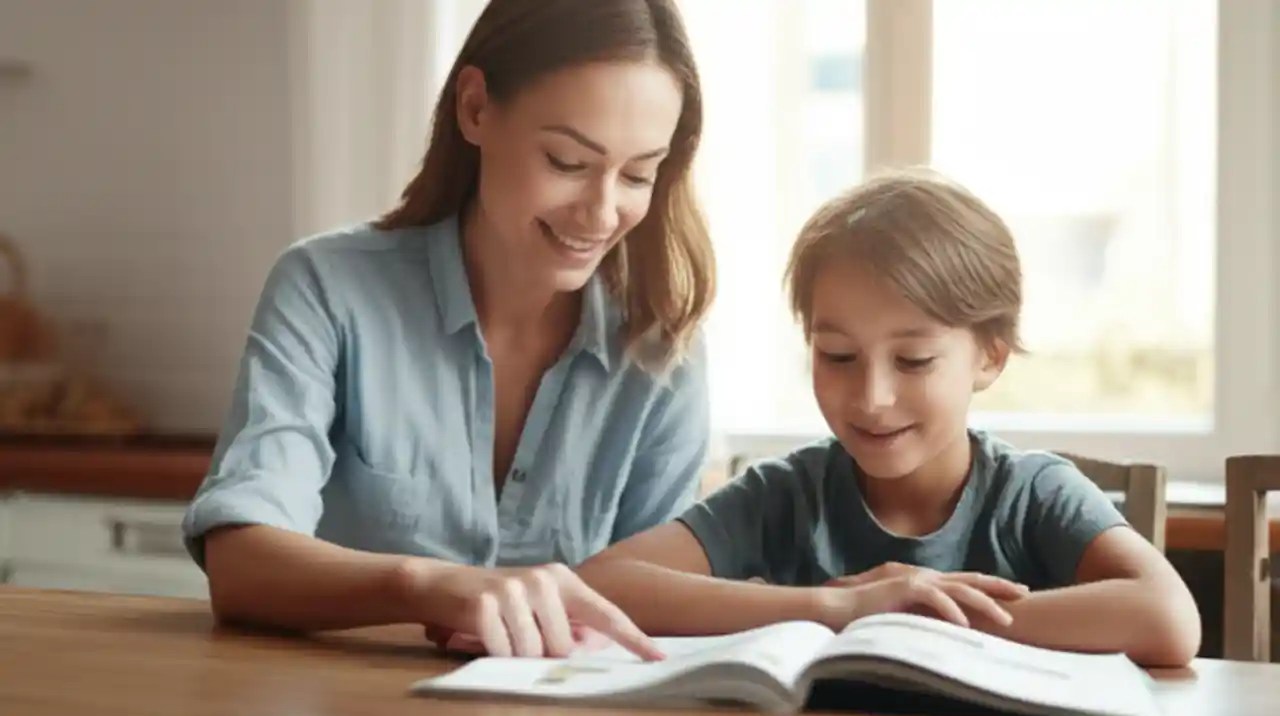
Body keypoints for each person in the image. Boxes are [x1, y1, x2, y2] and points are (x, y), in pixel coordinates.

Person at [181, 0, 715, 660]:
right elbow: (239, 564)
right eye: (567, 162)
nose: (603, 212)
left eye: (638, 173)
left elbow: (653, 604)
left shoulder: (663, 349)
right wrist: (427, 585)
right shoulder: (326, 288)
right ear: (475, 109)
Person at [578, 169, 1202, 667]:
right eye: (838, 355)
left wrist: (915, 619)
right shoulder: (788, 495)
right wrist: (835, 606)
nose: (871, 397)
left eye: (913, 359)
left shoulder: (1032, 494)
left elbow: (1169, 618)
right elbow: (600, 585)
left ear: (990, 356)